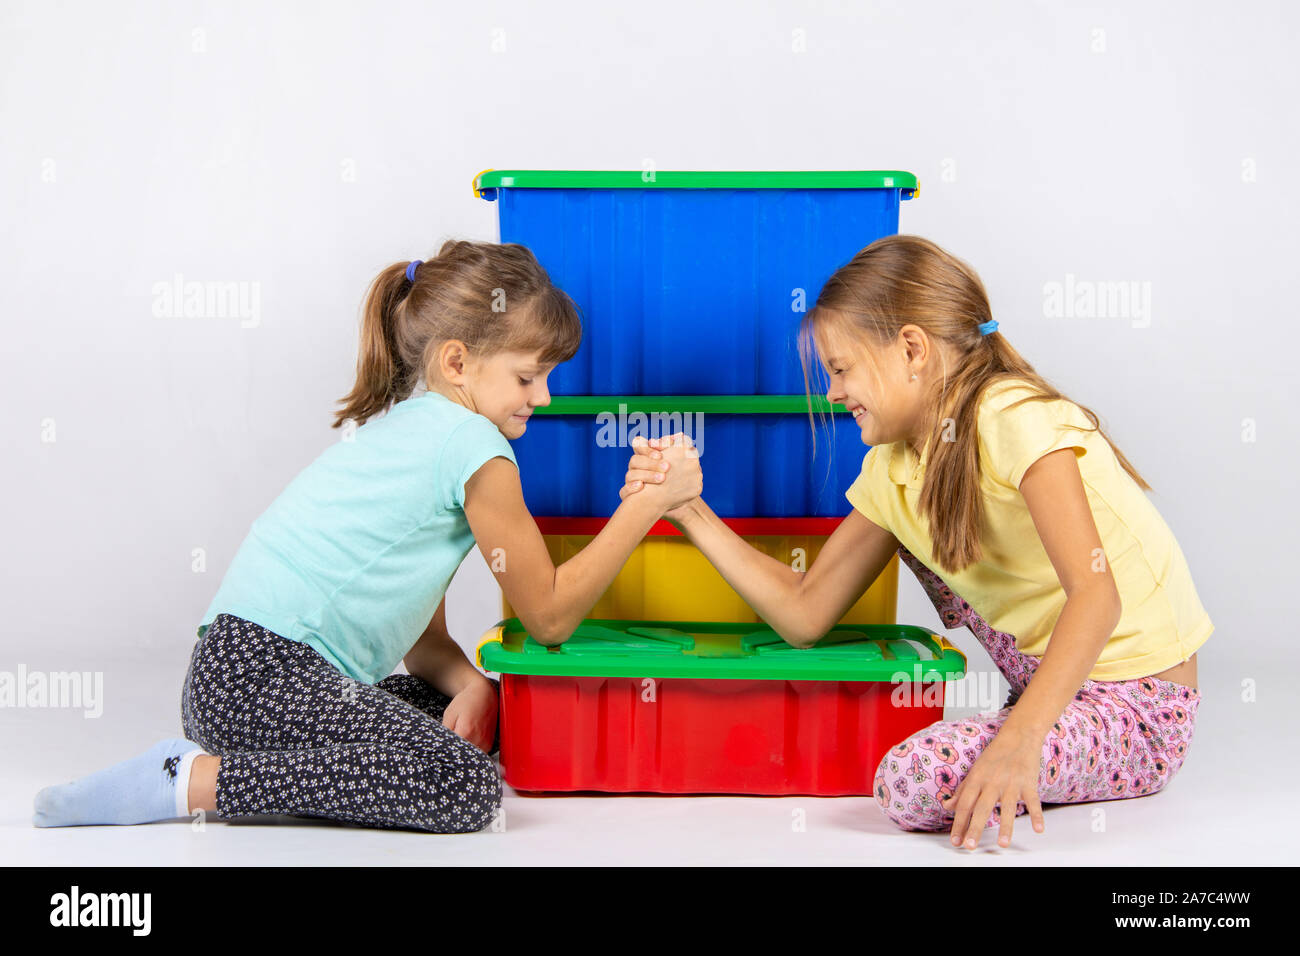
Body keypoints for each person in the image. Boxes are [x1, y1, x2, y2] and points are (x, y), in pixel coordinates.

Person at [33, 240, 701, 833]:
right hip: (261, 678)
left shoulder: (415, 426)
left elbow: (422, 641)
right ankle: (188, 781)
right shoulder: (474, 446)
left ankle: (221, 765)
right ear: (458, 362)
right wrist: (647, 507)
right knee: (462, 784)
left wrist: (471, 686)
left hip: (229, 681)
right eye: (529, 377)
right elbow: (550, 616)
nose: (545, 398)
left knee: (467, 708)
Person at [621, 234, 1209, 850]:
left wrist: (1018, 741)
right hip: (1041, 692)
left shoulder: (1014, 416)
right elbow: (804, 612)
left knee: (908, 780)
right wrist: (688, 511)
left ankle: (1020, 738)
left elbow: (1096, 596)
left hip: (1137, 704)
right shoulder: (894, 468)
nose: (832, 393)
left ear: (910, 349)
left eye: (841, 368)